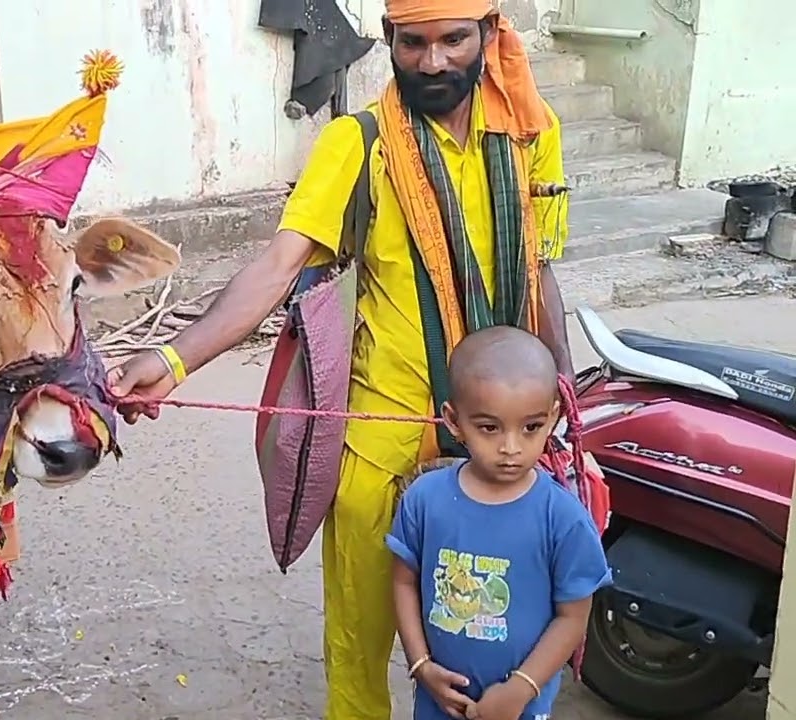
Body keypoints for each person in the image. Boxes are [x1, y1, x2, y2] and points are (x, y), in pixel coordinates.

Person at [108, 0, 573, 716]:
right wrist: (172, 360)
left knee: (494, 643)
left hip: (500, 446)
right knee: (359, 652)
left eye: (454, 39)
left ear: (490, 33)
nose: (434, 61)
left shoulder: (531, 136)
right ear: (388, 39)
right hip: (381, 451)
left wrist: (564, 394)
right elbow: (275, 268)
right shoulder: (358, 145)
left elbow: (540, 271)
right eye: (413, 42)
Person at [387, 325, 610, 720]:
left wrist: (521, 689)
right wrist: (421, 666)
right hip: (440, 701)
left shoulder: (563, 518)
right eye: (489, 428)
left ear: (553, 417)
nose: (511, 447)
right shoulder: (424, 500)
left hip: (521, 706)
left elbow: (573, 617)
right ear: (454, 422)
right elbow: (404, 581)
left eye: (531, 428)